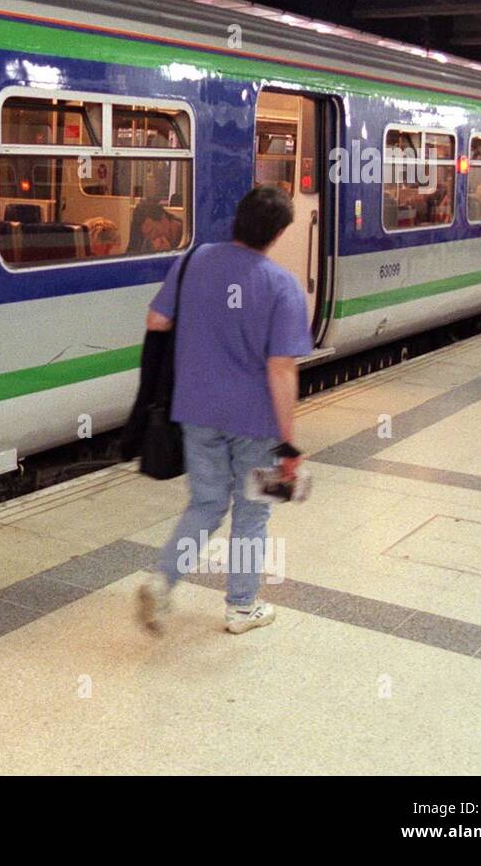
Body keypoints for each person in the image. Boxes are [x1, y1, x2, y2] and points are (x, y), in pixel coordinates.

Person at [136, 186, 312, 635]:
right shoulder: (282, 286)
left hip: (195, 410)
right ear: (277, 235)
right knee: (253, 513)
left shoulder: (193, 261)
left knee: (206, 503)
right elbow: (281, 369)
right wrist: (289, 441)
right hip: (256, 421)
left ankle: (162, 581)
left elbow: (157, 321)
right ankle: (241, 608)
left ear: (237, 219)